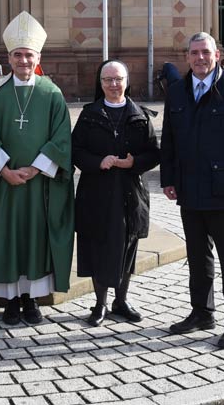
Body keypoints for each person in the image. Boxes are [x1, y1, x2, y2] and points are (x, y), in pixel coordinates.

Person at [160, 32, 224, 349]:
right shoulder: (177, 91)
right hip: (191, 192)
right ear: (187, 57)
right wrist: (168, 178)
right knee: (197, 258)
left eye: (205, 52)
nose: (200, 58)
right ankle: (202, 313)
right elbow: (169, 141)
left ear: (217, 54)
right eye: (194, 53)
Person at [0, 12, 73, 326]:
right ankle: (11, 301)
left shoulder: (52, 94)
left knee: (35, 239)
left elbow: (61, 136)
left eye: (28, 55)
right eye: (17, 55)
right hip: (6, 184)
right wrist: (4, 170)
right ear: (9, 58)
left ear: (38, 57)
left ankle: (32, 300)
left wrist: (35, 169)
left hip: (39, 186)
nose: (23, 60)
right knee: (9, 238)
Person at [71, 59, 160, 327]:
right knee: (98, 247)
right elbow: (75, 151)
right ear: (100, 84)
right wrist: (98, 162)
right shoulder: (89, 114)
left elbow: (154, 153)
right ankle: (100, 303)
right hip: (97, 193)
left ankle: (121, 301)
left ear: (126, 82)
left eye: (118, 79)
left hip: (130, 193)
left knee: (127, 247)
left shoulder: (140, 115)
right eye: (108, 80)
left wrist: (135, 163)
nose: (113, 85)